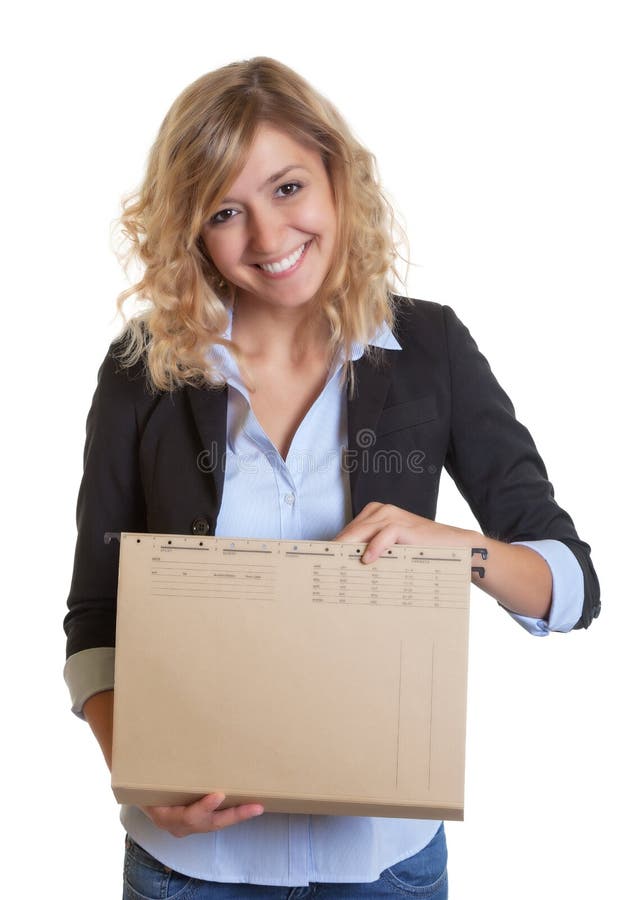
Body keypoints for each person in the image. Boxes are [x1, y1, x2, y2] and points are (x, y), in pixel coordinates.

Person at [64, 57, 600, 899]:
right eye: (226, 212)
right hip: (192, 867)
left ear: (335, 175)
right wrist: (134, 769)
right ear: (192, 231)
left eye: (286, 189)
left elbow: (569, 586)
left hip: (382, 862)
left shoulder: (429, 351)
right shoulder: (144, 372)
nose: (269, 240)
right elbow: (96, 613)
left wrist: (449, 548)